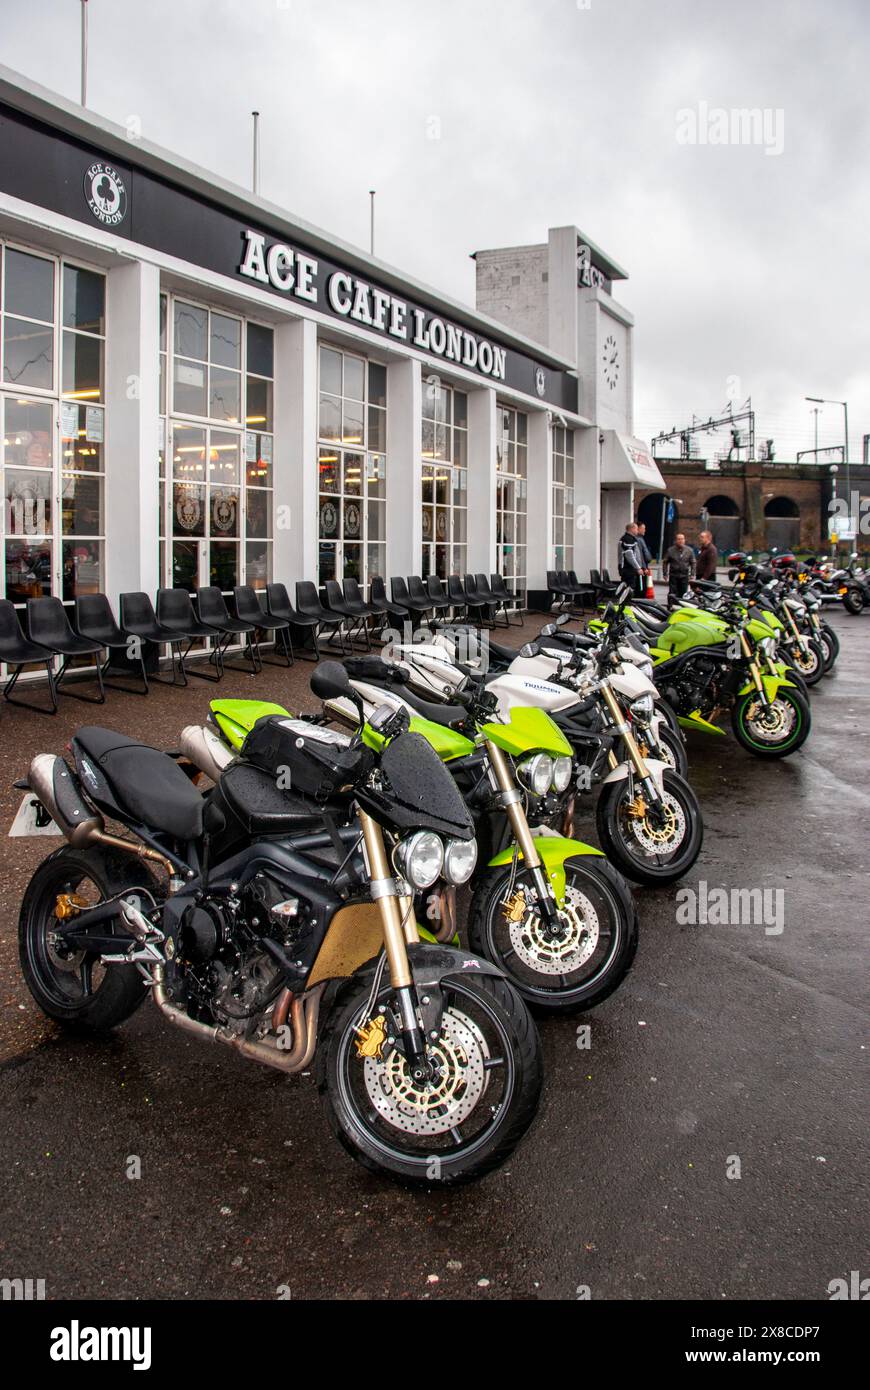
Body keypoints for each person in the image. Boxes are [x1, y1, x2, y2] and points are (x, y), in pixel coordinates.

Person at [663, 532, 695, 603]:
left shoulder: (689, 550)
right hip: (673, 575)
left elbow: (693, 563)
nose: (681, 541)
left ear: (684, 540)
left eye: (682, 539)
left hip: (684, 576)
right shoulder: (670, 550)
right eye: (679, 539)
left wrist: (692, 574)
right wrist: (665, 574)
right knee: (672, 593)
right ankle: (671, 606)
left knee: (683, 593)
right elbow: (665, 562)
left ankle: (681, 606)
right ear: (676, 540)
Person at [617, 522, 643, 591]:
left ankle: (626, 600)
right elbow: (630, 556)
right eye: (637, 529)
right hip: (627, 568)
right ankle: (626, 601)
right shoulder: (627, 539)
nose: (637, 531)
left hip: (629, 568)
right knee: (630, 588)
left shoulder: (630, 539)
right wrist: (638, 568)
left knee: (628, 586)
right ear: (632, 529)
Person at [636, 523, 653, 596]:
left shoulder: (640, 539)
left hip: (642, 568)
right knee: (641, 589)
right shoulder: (639, 540)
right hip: (642, 569)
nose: (645, 530)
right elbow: (641, 555)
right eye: (643, 528)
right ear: (638, 529)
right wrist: (643, 567)